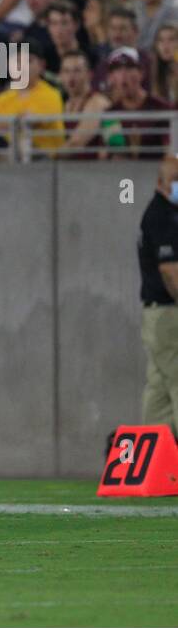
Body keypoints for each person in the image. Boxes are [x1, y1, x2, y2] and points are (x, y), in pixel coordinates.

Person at [136, 155, 178, 438]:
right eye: (175, 181)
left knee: (159, 387)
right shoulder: (163, 216)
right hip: (168, 311)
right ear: (161, 183)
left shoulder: (160, 213)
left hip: (156, 313)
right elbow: (170, 272)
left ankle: (151, 456)